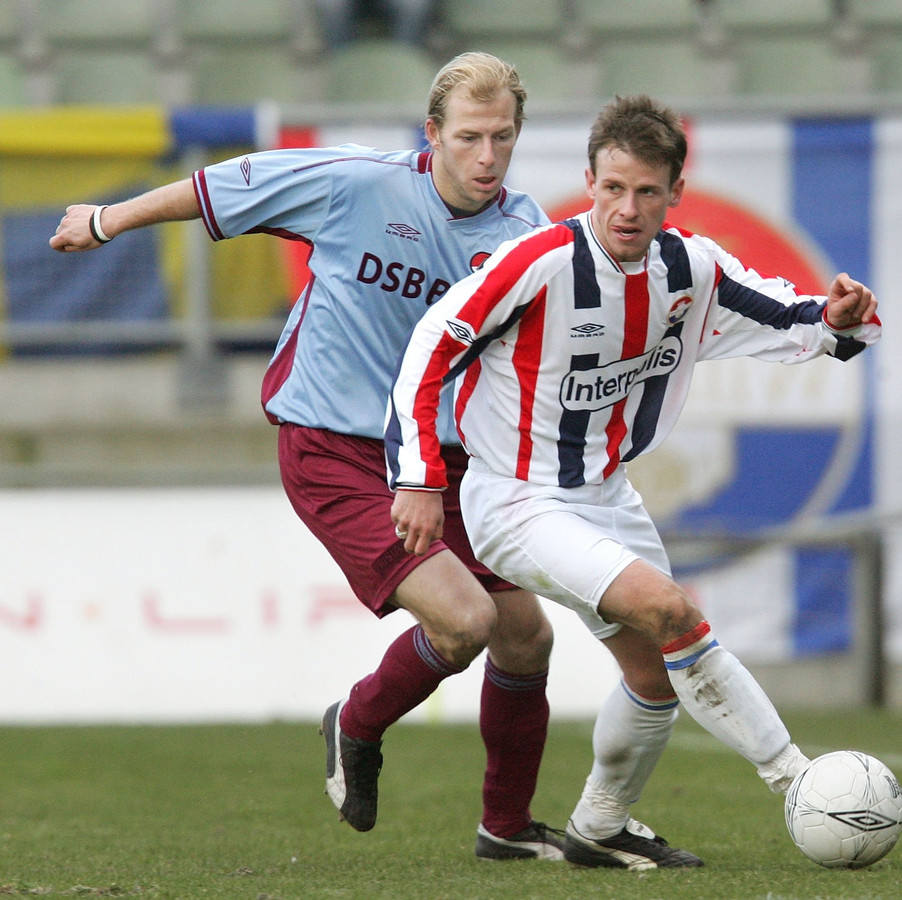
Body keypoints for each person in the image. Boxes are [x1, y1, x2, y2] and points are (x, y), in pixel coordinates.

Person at [49, 52, 567, 859]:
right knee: (465, 624)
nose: (486, 157)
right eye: (468, 136)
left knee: (525, 638)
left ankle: (504, 828)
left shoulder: (526, 239)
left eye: (502, 137)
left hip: (439, 460)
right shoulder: (356, 184)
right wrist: (107, 220)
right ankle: (355, 723)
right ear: (431, 134)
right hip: (332, 445)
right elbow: (217, 190)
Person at [386, 93, 902, 869]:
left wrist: (838, 317)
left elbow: (788, 315)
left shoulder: (690, 268)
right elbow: (432, 345)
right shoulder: (537, 264)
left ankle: (599, 825)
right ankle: (798, 780)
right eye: (610, 188)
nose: (625, 209)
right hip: (514, 496)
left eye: (644, 191)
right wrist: (418, 477)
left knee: (654, 676)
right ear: (589, 181)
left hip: (606, 494)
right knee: (670, 610)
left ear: (674, 192)